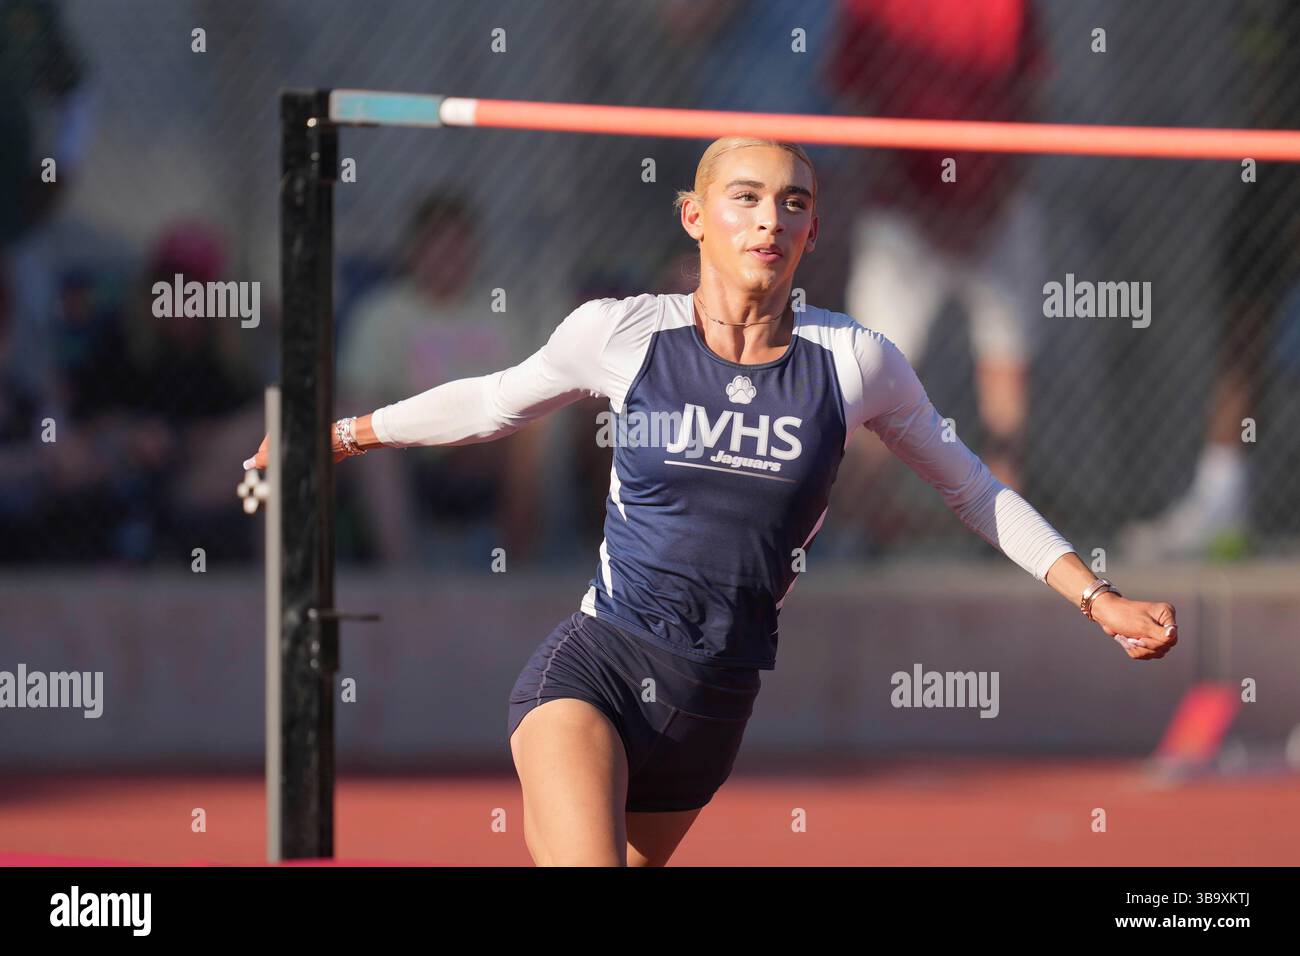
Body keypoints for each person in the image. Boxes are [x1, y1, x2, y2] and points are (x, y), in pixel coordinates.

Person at [244, 138, 1179, 866]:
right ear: (695, 216)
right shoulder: (623, 333)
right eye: (746, 199)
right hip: (599, 666)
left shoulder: (854, 362)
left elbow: (975, 491)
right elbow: (492, 401)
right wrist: (335, 434)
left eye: (794, 204)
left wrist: (1098, 599)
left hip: (713, 704)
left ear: (814, 232)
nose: (770, 220)